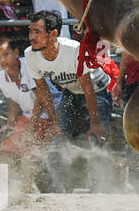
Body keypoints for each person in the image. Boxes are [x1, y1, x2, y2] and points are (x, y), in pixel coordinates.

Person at [24, 10, 112, 144]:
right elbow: (42, 90)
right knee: (59, 139)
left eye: (37, 32)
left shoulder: (72, 50)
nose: (31, 37)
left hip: (97, 91)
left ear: (53, 34)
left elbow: (87, 86)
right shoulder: (30, 54)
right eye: (30, 31)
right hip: (71, 92)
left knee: (97, 139)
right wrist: (55, 122)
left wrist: (96, 122)